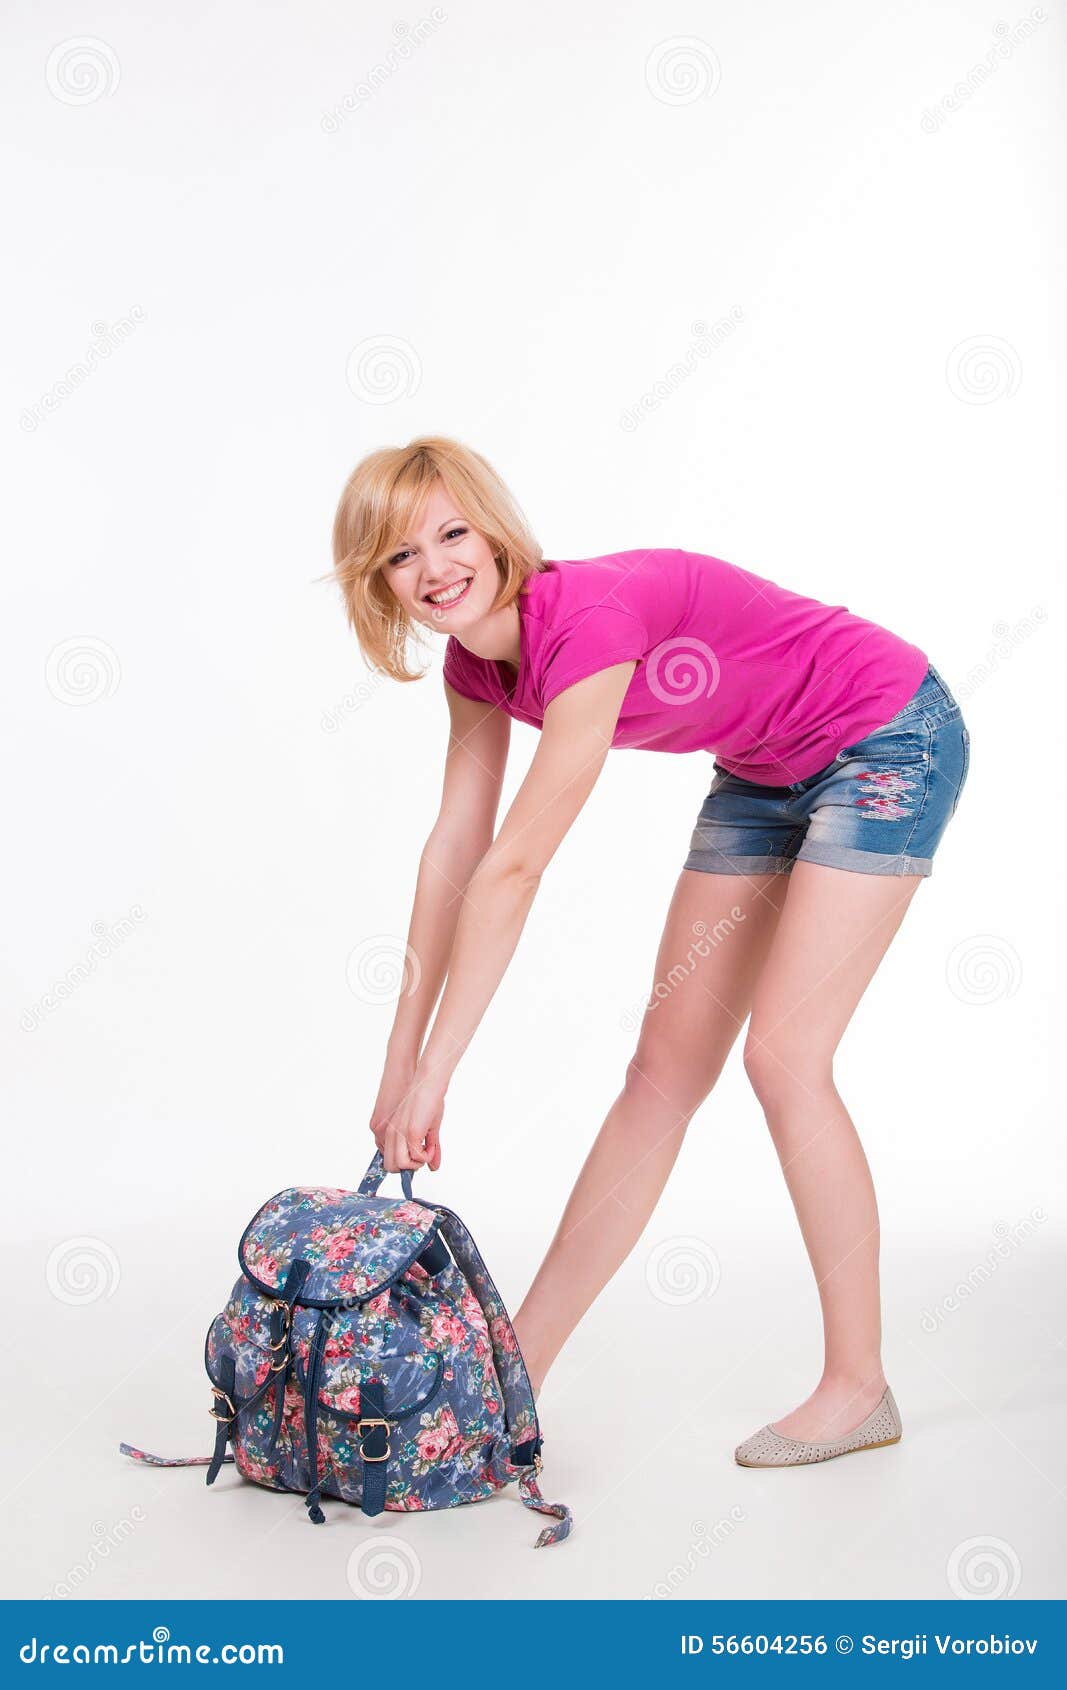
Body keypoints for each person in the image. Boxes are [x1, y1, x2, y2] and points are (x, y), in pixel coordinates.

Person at [330, 435, 970, 1467]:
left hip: (886, 732)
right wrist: (397, 1064)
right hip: (763, 769)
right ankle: (515, 1377)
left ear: (495, 530)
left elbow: (514, 865)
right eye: (401, 557)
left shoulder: (585, 620)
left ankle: (857, 1387)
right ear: (377, 582)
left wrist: (438, 1076)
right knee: (660, 1070)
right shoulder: (472, 668)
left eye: (452, 532)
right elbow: (454, 849)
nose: (435, 567)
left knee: (781, 1057)